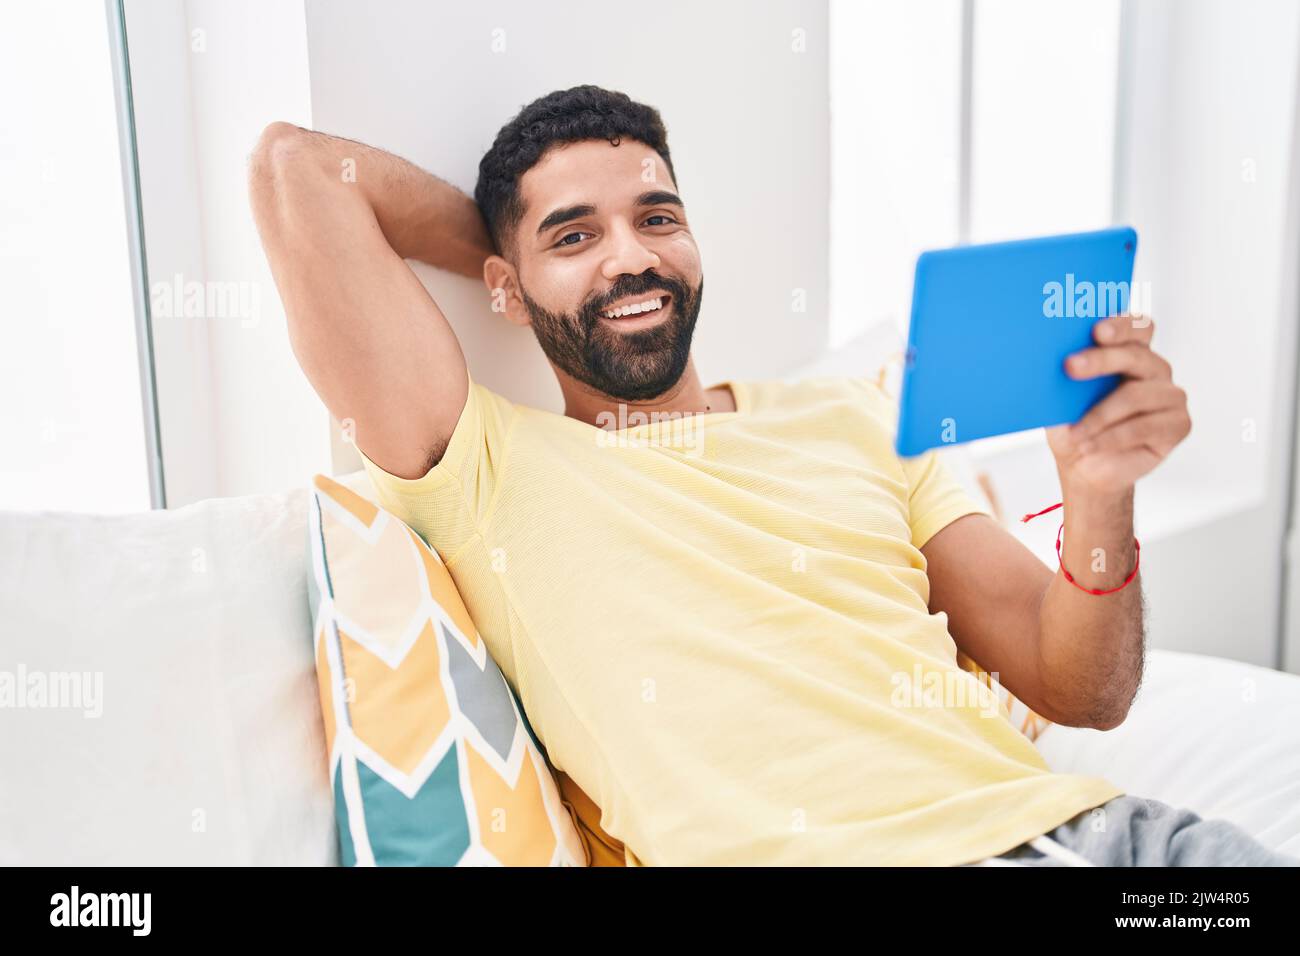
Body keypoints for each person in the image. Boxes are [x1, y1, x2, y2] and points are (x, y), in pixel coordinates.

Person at [248, 84, 1289, 866]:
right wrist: (510, 244)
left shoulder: (865, 416)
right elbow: (293, 170)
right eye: (575, 234)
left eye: (657, 218)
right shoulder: (484, 467)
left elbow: (1082, 689)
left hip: (1111, 844)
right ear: (505, 290)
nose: (630, 256)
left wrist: (1100, 495)